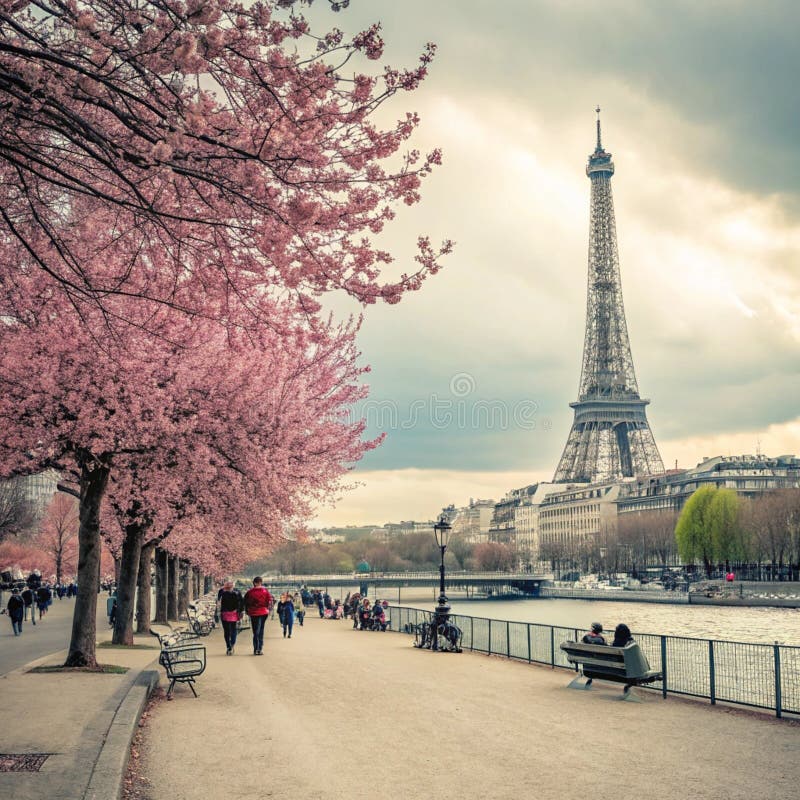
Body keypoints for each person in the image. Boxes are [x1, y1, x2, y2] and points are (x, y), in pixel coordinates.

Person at [243, 576, 273, 656]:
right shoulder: (265, 591)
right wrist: (268, 610)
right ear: (261, 582)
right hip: (263, 612)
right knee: (261, 630)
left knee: (255, 631)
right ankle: (260, 648)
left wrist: (247, 610)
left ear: (255, 583)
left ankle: (256, 648)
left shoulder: (250, 592)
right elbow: (269, 601)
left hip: (254, 613)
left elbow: (246, 602)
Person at [218, 579, 244, 655]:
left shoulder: (221, 592)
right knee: (233, 630)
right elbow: (241, 602)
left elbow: (218, 602)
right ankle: (232, 644)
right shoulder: (237, 592)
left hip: (224, 613)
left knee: (226, 631)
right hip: (234, 613)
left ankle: (228, 646)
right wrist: (241, 611)